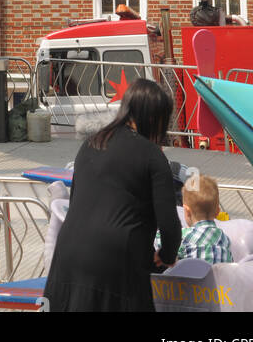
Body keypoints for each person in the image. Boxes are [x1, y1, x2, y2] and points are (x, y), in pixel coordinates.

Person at [44, 79, 181, 312]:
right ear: (154, 118)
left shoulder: (92, 143)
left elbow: (76, 200)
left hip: (68, 255)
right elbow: (169, 224)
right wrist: (166, 255)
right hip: (117, 263)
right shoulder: (152, 156)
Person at [178, 174, 233, 263]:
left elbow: (158, 241)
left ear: (187, 211)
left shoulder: (184, 236)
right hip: (221, 276)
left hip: (193, 277)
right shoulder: (225, 239)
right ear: (217, 212)